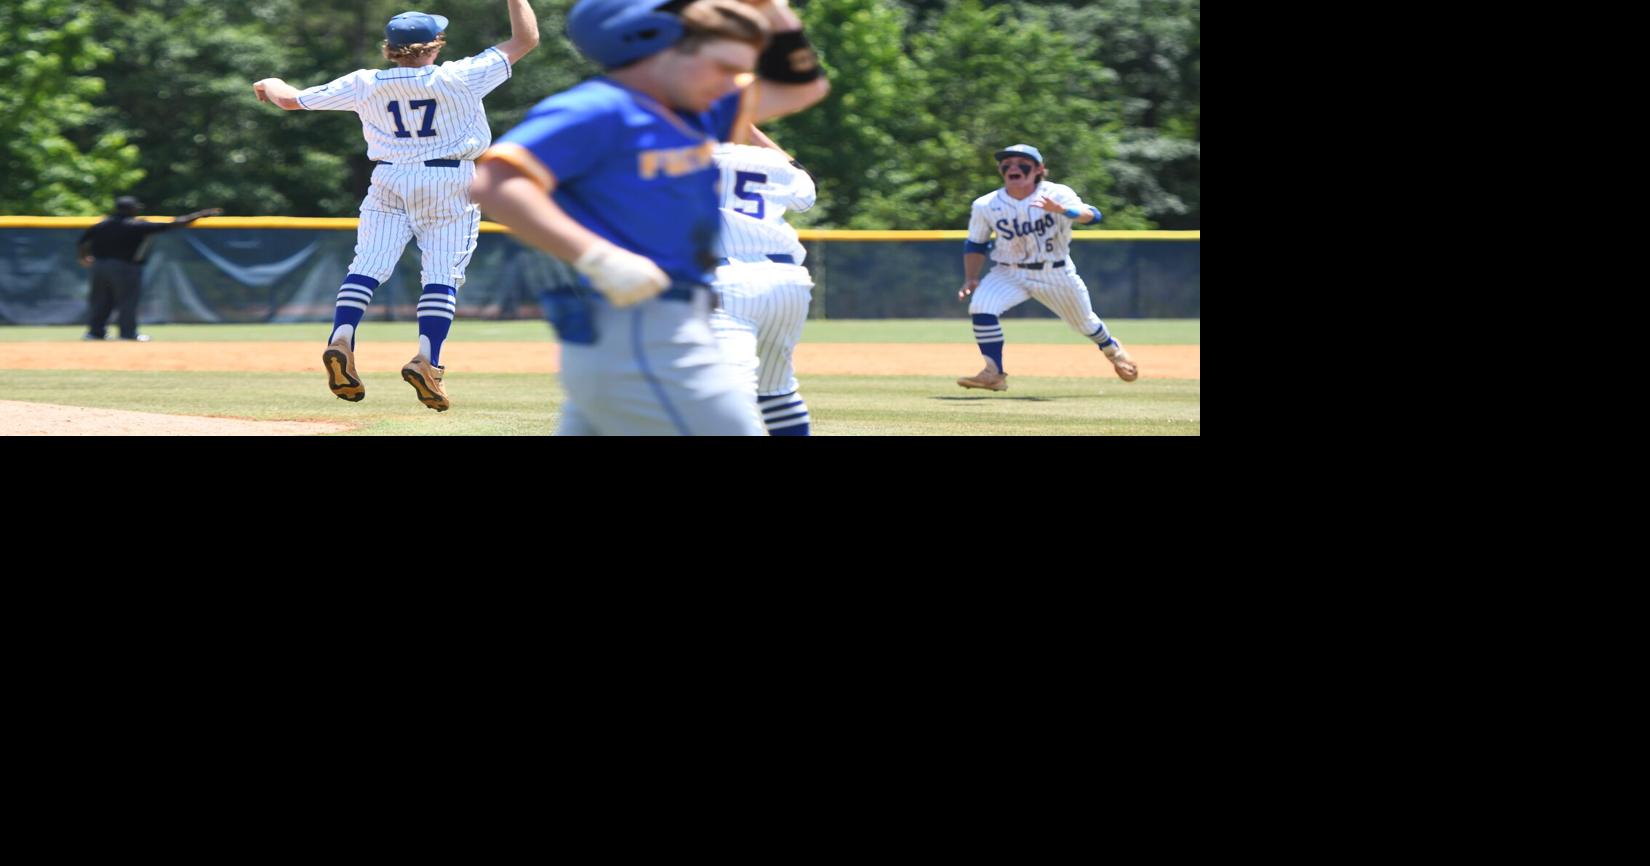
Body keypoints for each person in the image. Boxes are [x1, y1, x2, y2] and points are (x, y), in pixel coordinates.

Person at [468, 0, 829, 435]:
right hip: (644, 328)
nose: (730, 76)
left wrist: (774, 11)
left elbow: (801, 89)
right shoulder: (599, 108)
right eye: (706, 51)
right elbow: (496, 182)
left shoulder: (693, 110)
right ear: (653, 43)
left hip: (664, 324)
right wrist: (599, 257)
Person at [253, 2, 540, 412]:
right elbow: (525, 40)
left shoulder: (365, 83)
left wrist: (271, 82)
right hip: (449, 179)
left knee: (367, 266)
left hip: (389, 177)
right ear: (436, 45)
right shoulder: (460, 75)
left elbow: (290, 101)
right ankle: (428, 360)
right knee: (441, 275)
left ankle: (341, 338)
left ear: (389, 49)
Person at [956, 144, 1139, 392]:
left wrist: (1063, 210)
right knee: (981, 307)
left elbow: (1093, 215)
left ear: (1038, 169)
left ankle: (1112, 349)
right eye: (1006, 163)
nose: (1013, 167)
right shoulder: (985, 204)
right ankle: (993, 373)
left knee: (1084, 323)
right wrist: (971, 277)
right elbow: (976, 243)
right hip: (1009, 271)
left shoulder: (1057, 194)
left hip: (1054, 272)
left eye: (1022, 163)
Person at [707, 126, 816, 435]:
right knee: (776, 391)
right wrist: (753, 132)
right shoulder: (769, 160)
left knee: (729, 393)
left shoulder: (679, 160)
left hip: (728, 283)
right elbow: (808, 191)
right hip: (787, 284)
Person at [77, 197, 222, 341]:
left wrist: (84, 257)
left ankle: (95, 333)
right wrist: (199, 215)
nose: (137, 209)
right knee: (127, 300)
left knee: (100, 300)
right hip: (125, 267)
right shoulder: (135, 225)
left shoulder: (103, 224)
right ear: (130, 209)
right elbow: (174, 224)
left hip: (100, 267)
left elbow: (83, 242)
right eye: (135, 207)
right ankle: (127, 334)